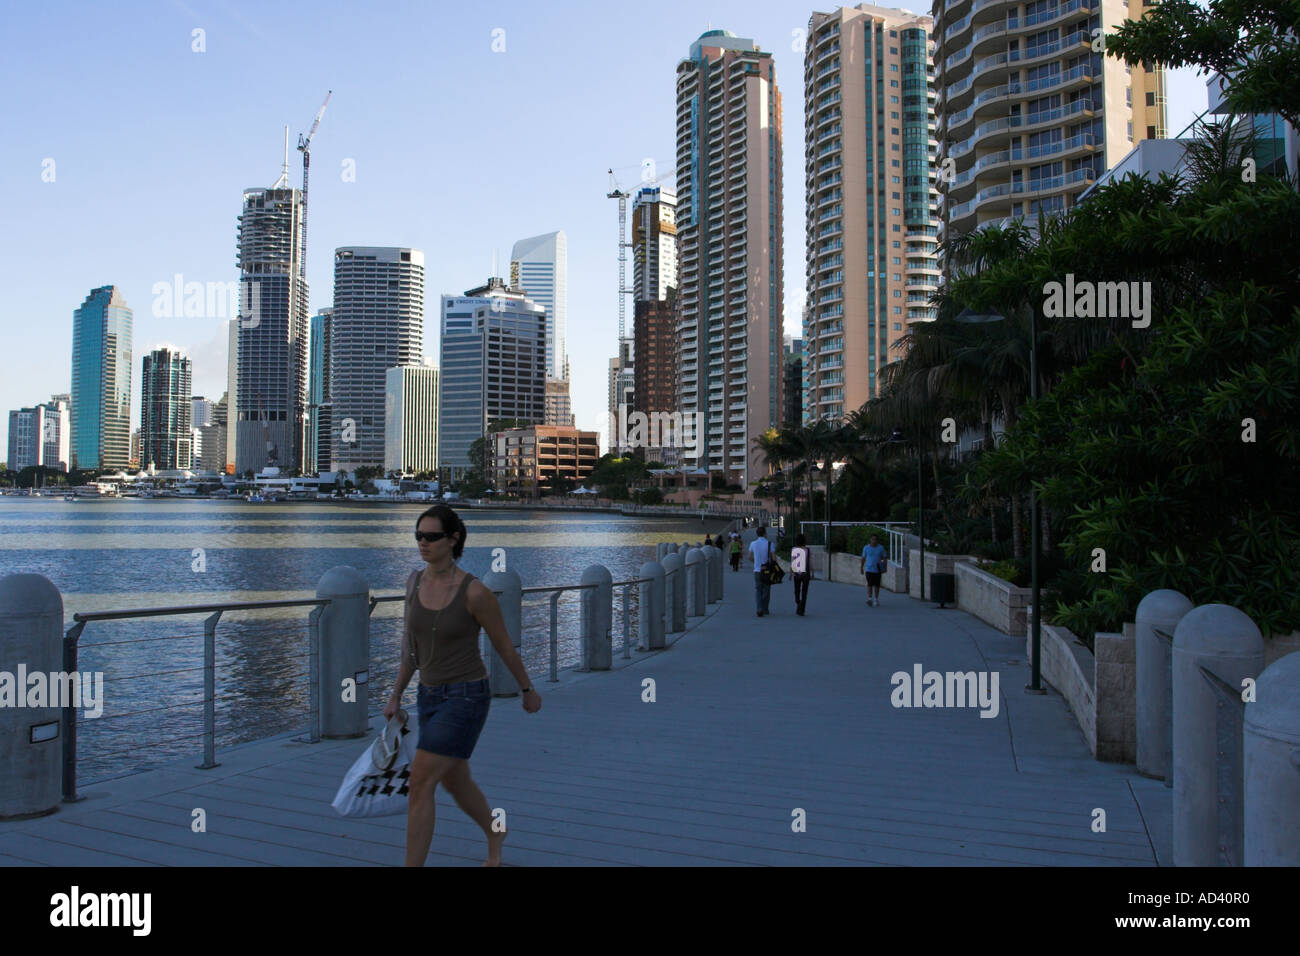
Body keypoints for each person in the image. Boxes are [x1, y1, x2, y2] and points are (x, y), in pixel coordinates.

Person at [385, 504, 541, 867]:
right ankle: (494, 830)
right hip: (429, 695)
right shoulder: (414, 582)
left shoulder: (475, 593)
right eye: (419, 536)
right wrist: (395, 694)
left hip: (466, 697)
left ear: (453, 539)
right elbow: (411, 650)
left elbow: (503, 644)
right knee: (456, 780)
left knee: (421, 779)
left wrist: (527, 689)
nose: (423, 543)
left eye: (432, 536)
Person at [750, 525, 775, 617]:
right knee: (766, 590)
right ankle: (765, 609)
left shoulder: (753, 544)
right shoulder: (770, 544)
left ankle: (759, 608)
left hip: (757, 570)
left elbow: (749, 557)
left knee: (758, 590)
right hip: (767, 571)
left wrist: (756, 562)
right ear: (764, 533)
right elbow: (774, 558)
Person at [859, 533, 888, 607]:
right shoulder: (866, 548)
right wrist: (861, 567)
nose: (874, 541)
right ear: (870, 540)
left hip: (877, 569)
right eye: (872, 539)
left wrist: (885, 567)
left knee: (877, 585)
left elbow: (885, 557)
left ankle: (876, 599)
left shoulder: (881, 548)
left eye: (875, 539)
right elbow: (863, 558)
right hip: (869, 569)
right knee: (869, 584)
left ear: (877, 540)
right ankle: (869, 598)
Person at [791, 533, 812, 616]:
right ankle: (802, 609)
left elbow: (793, 561)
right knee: (804, 592)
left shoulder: (794, 549)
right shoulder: (808, 550)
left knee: (797, 590)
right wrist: (812, 572)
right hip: (805, 573)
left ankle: (798, 602)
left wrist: (791, 572)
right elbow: (810, 562)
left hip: (797, 572)